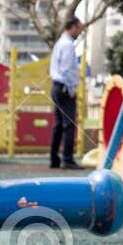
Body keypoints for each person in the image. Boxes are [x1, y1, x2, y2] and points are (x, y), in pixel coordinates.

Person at [49, 16, 85, 170]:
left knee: (58, 124)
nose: (80, 32)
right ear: (73, 27)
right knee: (69, 124)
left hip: (56, 86)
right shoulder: (68, 45)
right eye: (79, 29)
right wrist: (71, 89)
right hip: (64, 88)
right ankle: (68, 159)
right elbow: (66, 69)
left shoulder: (59, 43)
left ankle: (54, 159)